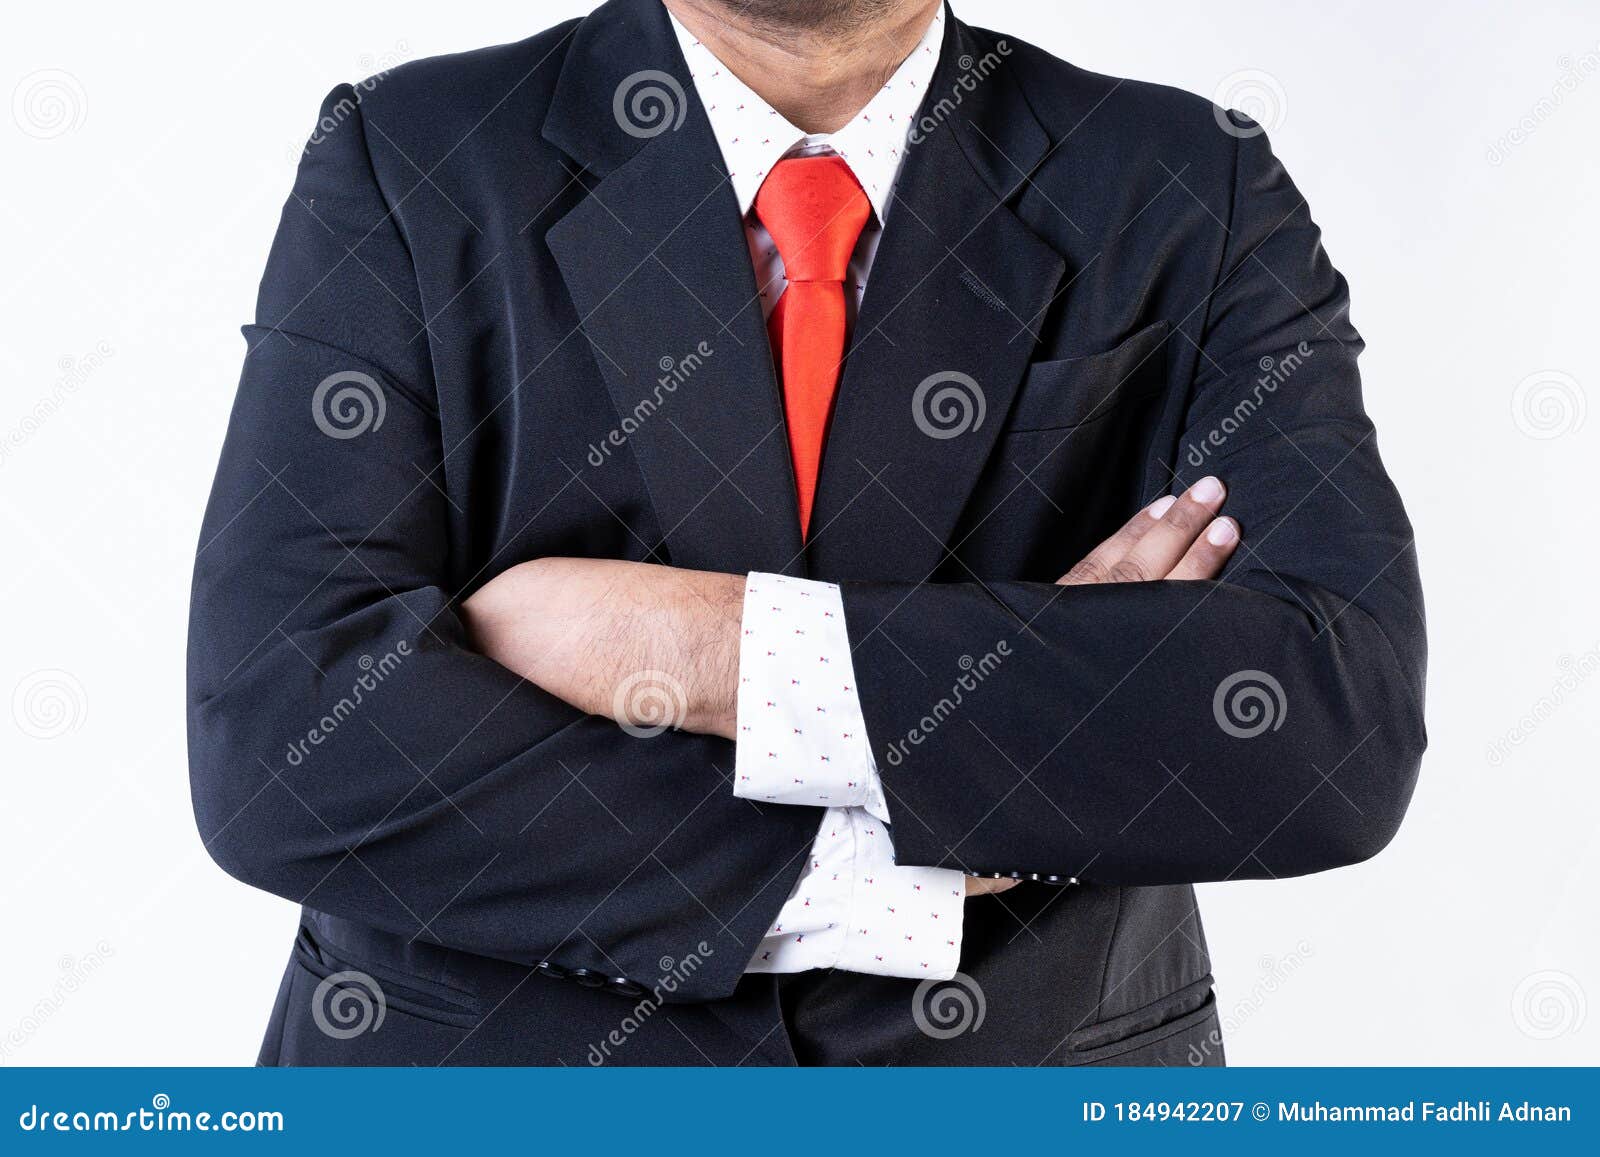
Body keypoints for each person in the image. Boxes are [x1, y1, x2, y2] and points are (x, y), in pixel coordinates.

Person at [188, 0, 1426, 1065]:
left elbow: (1331, 724)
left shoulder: (1187, 179)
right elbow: (284, 739)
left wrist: (717, 649)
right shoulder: (412, 154)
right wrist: (915, 852)